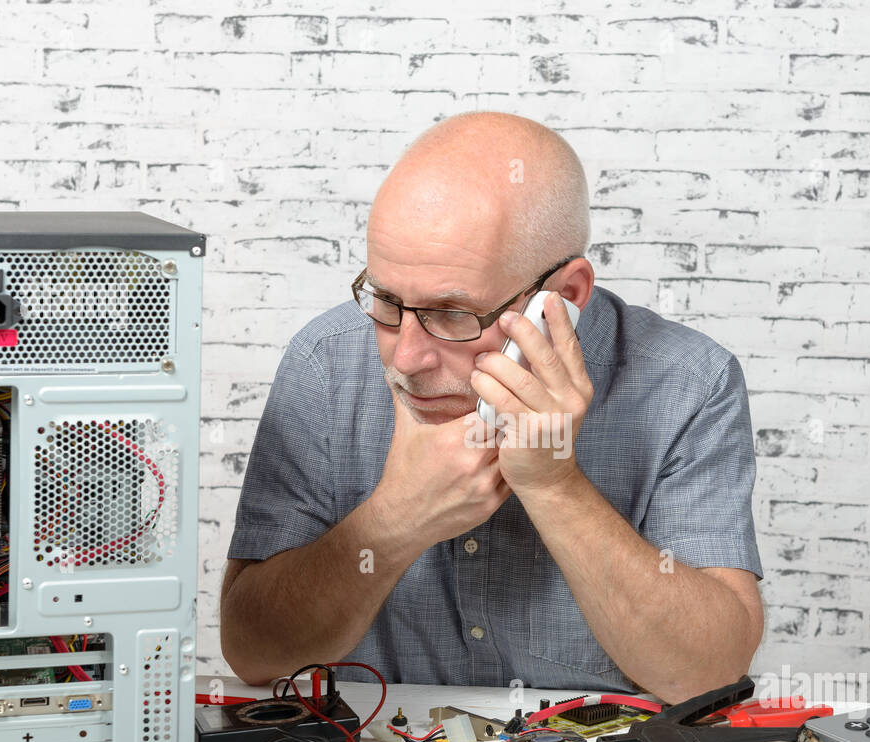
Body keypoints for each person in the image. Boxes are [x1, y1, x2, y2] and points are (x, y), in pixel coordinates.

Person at [220, 111, 763, 703]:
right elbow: (252, 654)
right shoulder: (324, 364)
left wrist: (555, 486)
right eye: (385, 300)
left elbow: (710, 674)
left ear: (566, 296)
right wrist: (395, 519)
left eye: (453, 314)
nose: (405, 358)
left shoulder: (689, 382)